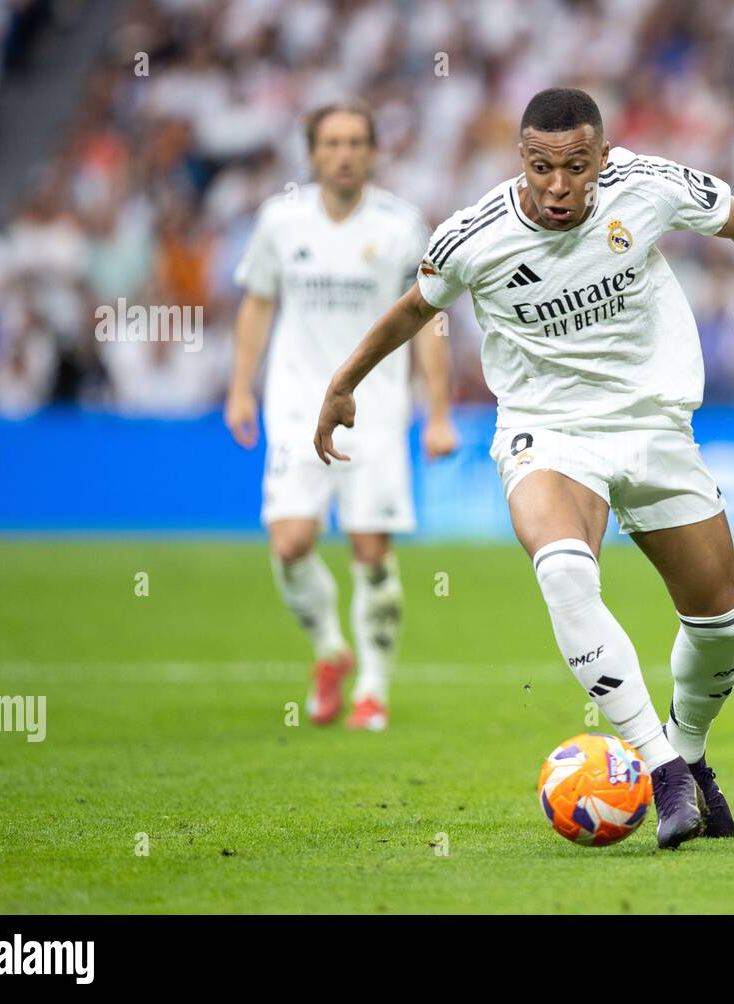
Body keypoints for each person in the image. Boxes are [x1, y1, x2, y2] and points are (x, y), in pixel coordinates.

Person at [315, 87, 734, 848]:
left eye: (576, 166)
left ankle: (692, 756)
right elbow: (414, 307)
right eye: (542, 167)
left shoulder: (648, 185)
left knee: (720, 624)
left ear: (602, 157)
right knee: (565, 571)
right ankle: (660, 766)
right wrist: (345, 382)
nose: (559, 185)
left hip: (653, 425)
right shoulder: (473, 236)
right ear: (523, 162)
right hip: (548, 429)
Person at [225, 100, 457, 732]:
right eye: (332, 142)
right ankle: (331, 648)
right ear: (312, 152)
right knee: (292, 542)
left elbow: (430, 319)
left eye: (357, 141)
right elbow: (257, 304)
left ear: (374, 151)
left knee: (369, 545)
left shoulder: (402, 225)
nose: (345, 152)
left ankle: (373, 691)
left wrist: (437, 412)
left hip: (376, 409)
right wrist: (240, 389)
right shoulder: (280, 220)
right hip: (296, 403)